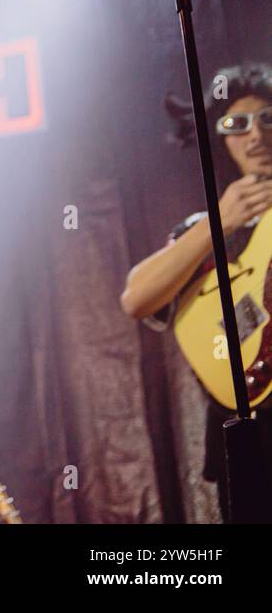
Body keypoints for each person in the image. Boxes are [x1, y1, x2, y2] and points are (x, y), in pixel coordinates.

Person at [121, 62, 272, 521]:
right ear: (218, 139)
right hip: (246, 438)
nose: (255, 135)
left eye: (268, 118)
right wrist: (218, 223)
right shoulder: (199, 229)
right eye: (236, 124)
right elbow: (135, 298)